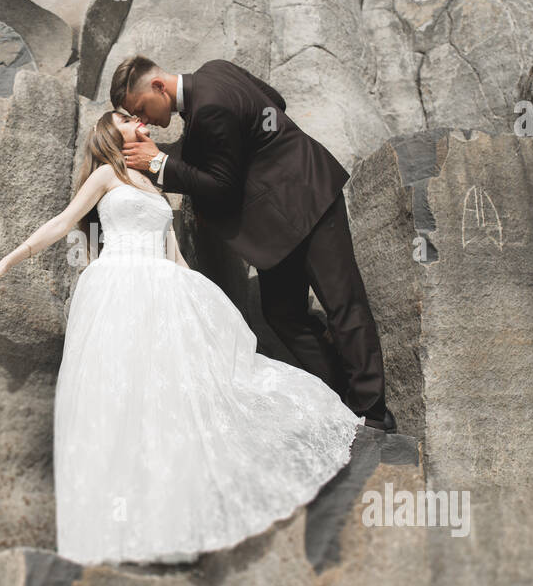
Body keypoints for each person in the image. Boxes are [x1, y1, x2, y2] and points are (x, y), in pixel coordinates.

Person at [0, 109, 361, 567]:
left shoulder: (154, 184)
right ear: (112, 133)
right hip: (118, 285)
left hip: (163, 288)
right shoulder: (104, 176)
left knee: (171, 399)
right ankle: (117, 529)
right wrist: (6, 263)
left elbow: (175, 255)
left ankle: (171, 519)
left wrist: (208, 307)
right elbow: (61, 223)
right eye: (131, 121)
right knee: (121, 401)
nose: (143, 125)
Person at [112, 55, 395, 433]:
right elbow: (275, 100)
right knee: (282, 313)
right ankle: (342, 394)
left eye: (140, 110)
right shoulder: (215, 70)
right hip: (278, 220)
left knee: (344, 304)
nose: (143, 121)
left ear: (159, 87)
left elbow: (223, 186)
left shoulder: (209, 107)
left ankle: (375, 414)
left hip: (308, 198)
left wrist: (160, 164)